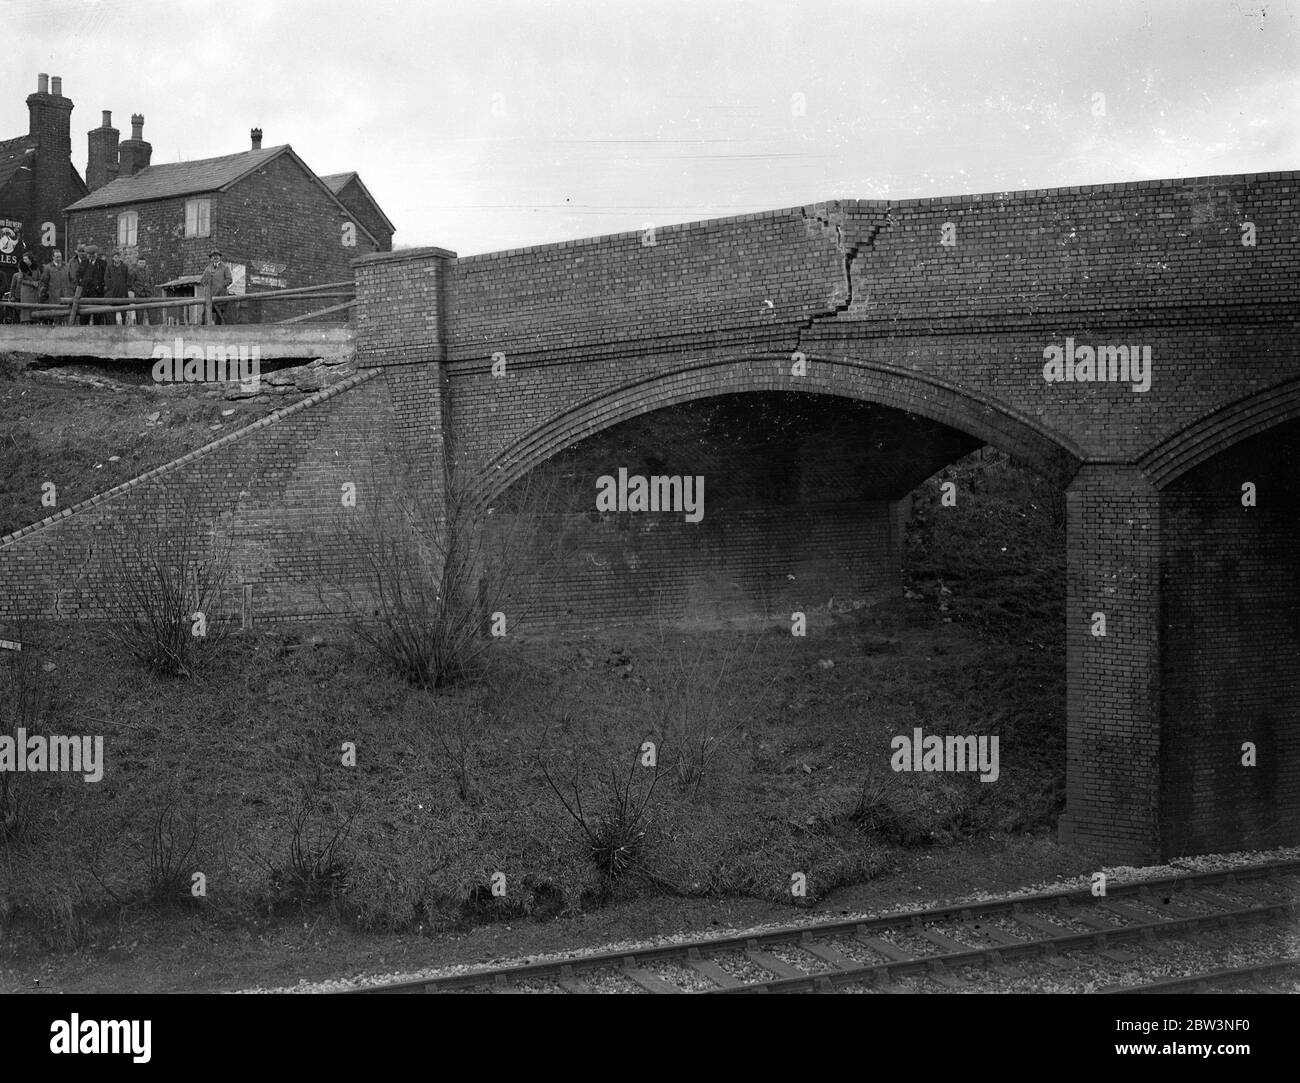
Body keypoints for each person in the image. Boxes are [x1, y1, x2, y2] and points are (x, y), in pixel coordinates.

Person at [40, 249, 77, 323]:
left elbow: (72, 279)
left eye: (60, 257)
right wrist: (45, 293)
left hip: (66, 294)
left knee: (66, 314)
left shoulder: (66, 266)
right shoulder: (48, 268)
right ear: (53, 257)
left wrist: (71, 290)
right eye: (57, 257)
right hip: (54, 295)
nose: (59, 259)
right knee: (55, 314)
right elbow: (44, 281)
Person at [198, 249, 232, 325]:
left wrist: (221, 286)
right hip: (210, 296)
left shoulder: (225, 267)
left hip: (221, 295)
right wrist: (206, 283)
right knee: (205, 314)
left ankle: (219, 329)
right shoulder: (208, 268)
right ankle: (203, 329)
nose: (215, 257)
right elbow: (202, 281)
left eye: (217, 256)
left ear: (220, 257)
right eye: (213, 256)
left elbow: (229, 279)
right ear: (211, 258)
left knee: (219, 315)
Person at [77, 243, 107, 325]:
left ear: (96, 254)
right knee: (84, 317)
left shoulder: (102, 264)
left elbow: (106, 277)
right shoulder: (83, 263)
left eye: (93, 254)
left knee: (98, 317)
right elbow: (78, 276)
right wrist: (82, 284)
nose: (91, 256)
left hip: (98, 294)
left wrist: (102, 287)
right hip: (85, 295)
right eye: (89, 254)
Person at [8, 253, 42, 324]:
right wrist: (31, 283)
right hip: (26, 291)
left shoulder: (36, 268)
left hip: (34, 291)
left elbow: (40, 279)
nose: (24, 260)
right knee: (26, 308)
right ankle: (25, 321)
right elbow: (20, 280)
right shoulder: (22, 268)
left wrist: (37, 283)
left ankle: (34, 321)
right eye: (23, 259)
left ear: (30, 259)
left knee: (34, 308)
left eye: (26, 259)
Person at [104, 251, 131, 324]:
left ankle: (124, 325)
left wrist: (126, 287)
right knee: (112, 311)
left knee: (123, 311)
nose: (117, 259)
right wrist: (110, 287)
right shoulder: (109, 267)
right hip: (113, 292)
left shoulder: (124, 267)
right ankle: (113, 326)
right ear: (113, 258)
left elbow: (127, 278)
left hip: (122, 292)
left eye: (118, 257)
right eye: (115, 257)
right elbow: (106, 277)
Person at [131, 257, 157, 326]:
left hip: (148, 295)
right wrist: (138, 291)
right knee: (139, 316)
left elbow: (151, 282)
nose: (142, 264)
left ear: (145, 263)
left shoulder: (148, 272)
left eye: (143, 263)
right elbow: (131, 285)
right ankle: (140, 329)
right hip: (139, 296)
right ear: (137, 263)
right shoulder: (134, 272)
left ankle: (152, 329)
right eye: (140, 263)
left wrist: (150, 290)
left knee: (151, 315)